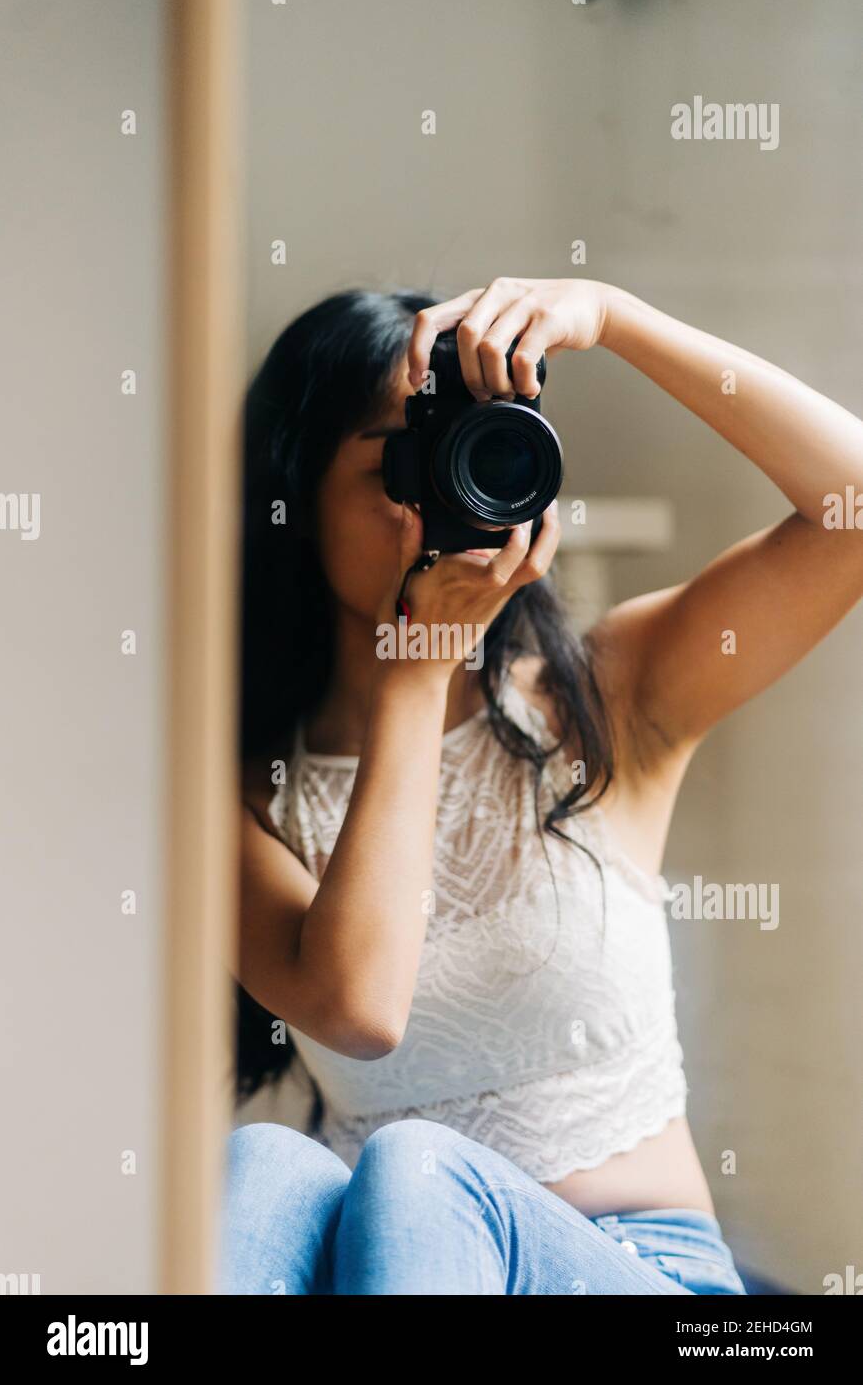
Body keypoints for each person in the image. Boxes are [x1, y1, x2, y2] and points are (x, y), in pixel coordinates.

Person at [223, 278, 863, 1294]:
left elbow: (854, 509)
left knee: (419, 1165)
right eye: (402, 459)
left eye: (473, 449)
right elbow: (357, 1008)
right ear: (291, 497)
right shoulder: (240, 798)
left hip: (645, 1272)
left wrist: (615, 318)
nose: (442, 493)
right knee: (261, 1162)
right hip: (396, 1267)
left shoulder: (603, 698)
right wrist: (418, 663)